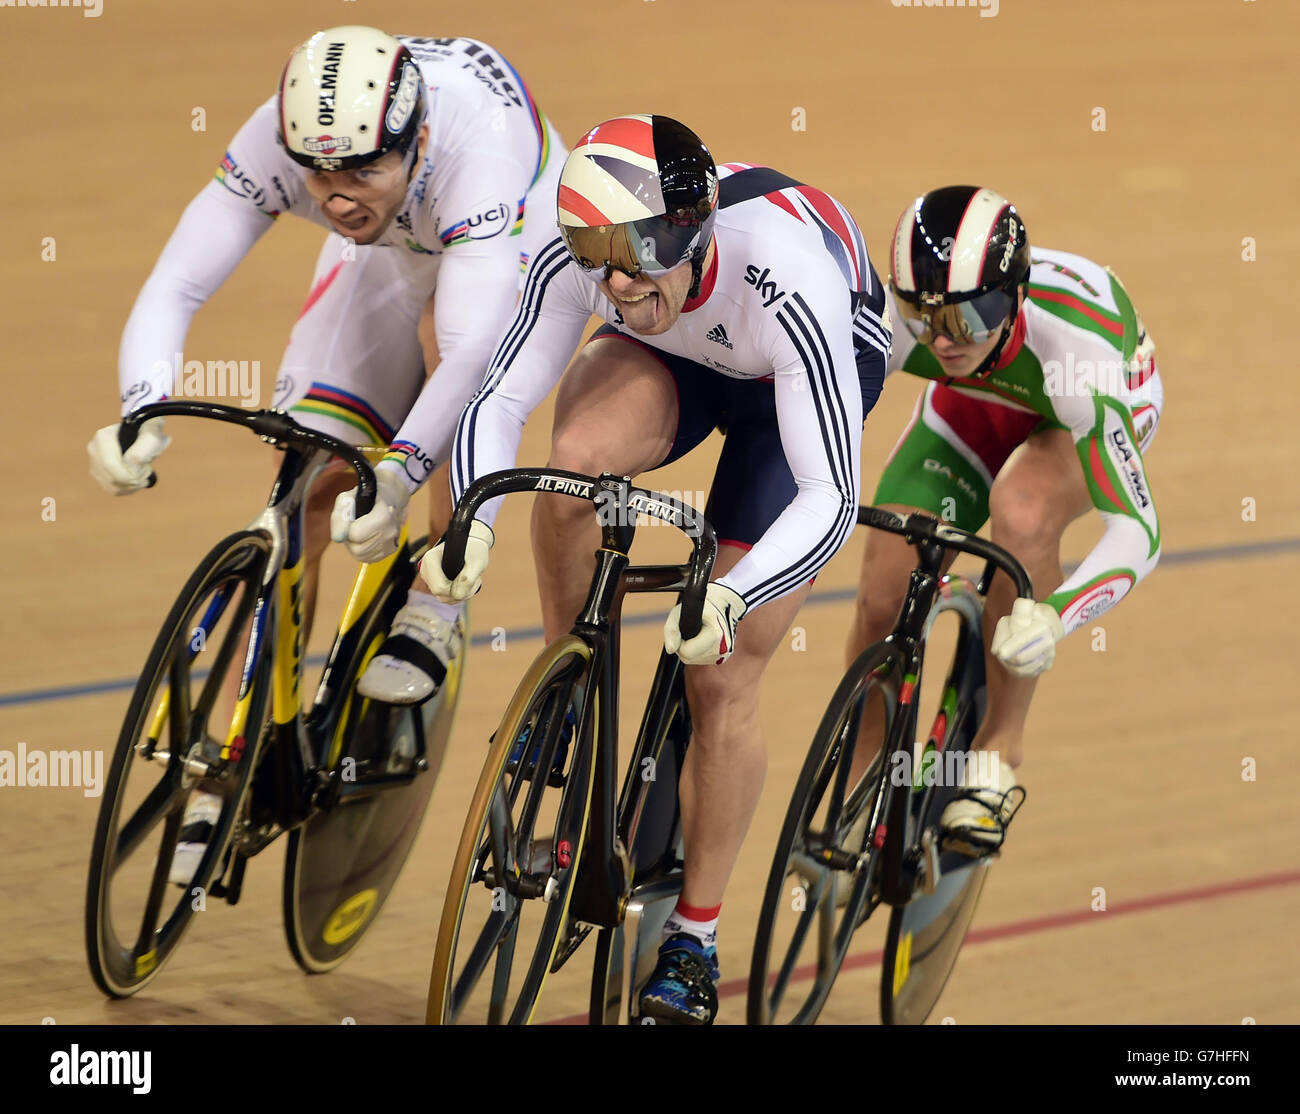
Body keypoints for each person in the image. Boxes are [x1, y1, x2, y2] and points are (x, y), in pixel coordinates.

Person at [412, 115, 890, 1024]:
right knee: (569, 475)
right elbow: (503, 395)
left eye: (633, 257)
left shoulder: (786, 279)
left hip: (795, 367)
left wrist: (733, 593)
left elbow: (829, 500)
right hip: (683, 349)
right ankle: (570, 696)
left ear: (692, 231)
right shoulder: (589, 267)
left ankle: (694, 940)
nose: (617, 282)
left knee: (724, 670)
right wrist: (473, 513)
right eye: (596, 257)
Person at [86, 26, 564, 881]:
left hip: (511, 242)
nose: (337, 198)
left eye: (360, 174)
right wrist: (138, 406)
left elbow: (468, 354)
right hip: (392, 253)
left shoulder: (473, 152)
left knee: (466, 382)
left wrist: (405, 467)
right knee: (306, 471)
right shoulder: (281, 137)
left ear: (413, 141)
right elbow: (179, 282)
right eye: (320, 176)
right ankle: (222, 767)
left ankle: (436, 608)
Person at [848, 185, 1162, 854]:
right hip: (976, 405)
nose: (942, 339)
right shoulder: (919, 319)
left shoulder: (1081, 357)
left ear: (1013, 296)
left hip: (1079, 412)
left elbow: (1138, 532)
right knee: (883, 594)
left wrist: (1057, 615)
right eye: (923, 316)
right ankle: (858, 775)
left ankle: (996, 753)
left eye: (968, 319)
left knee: (1019, 512)